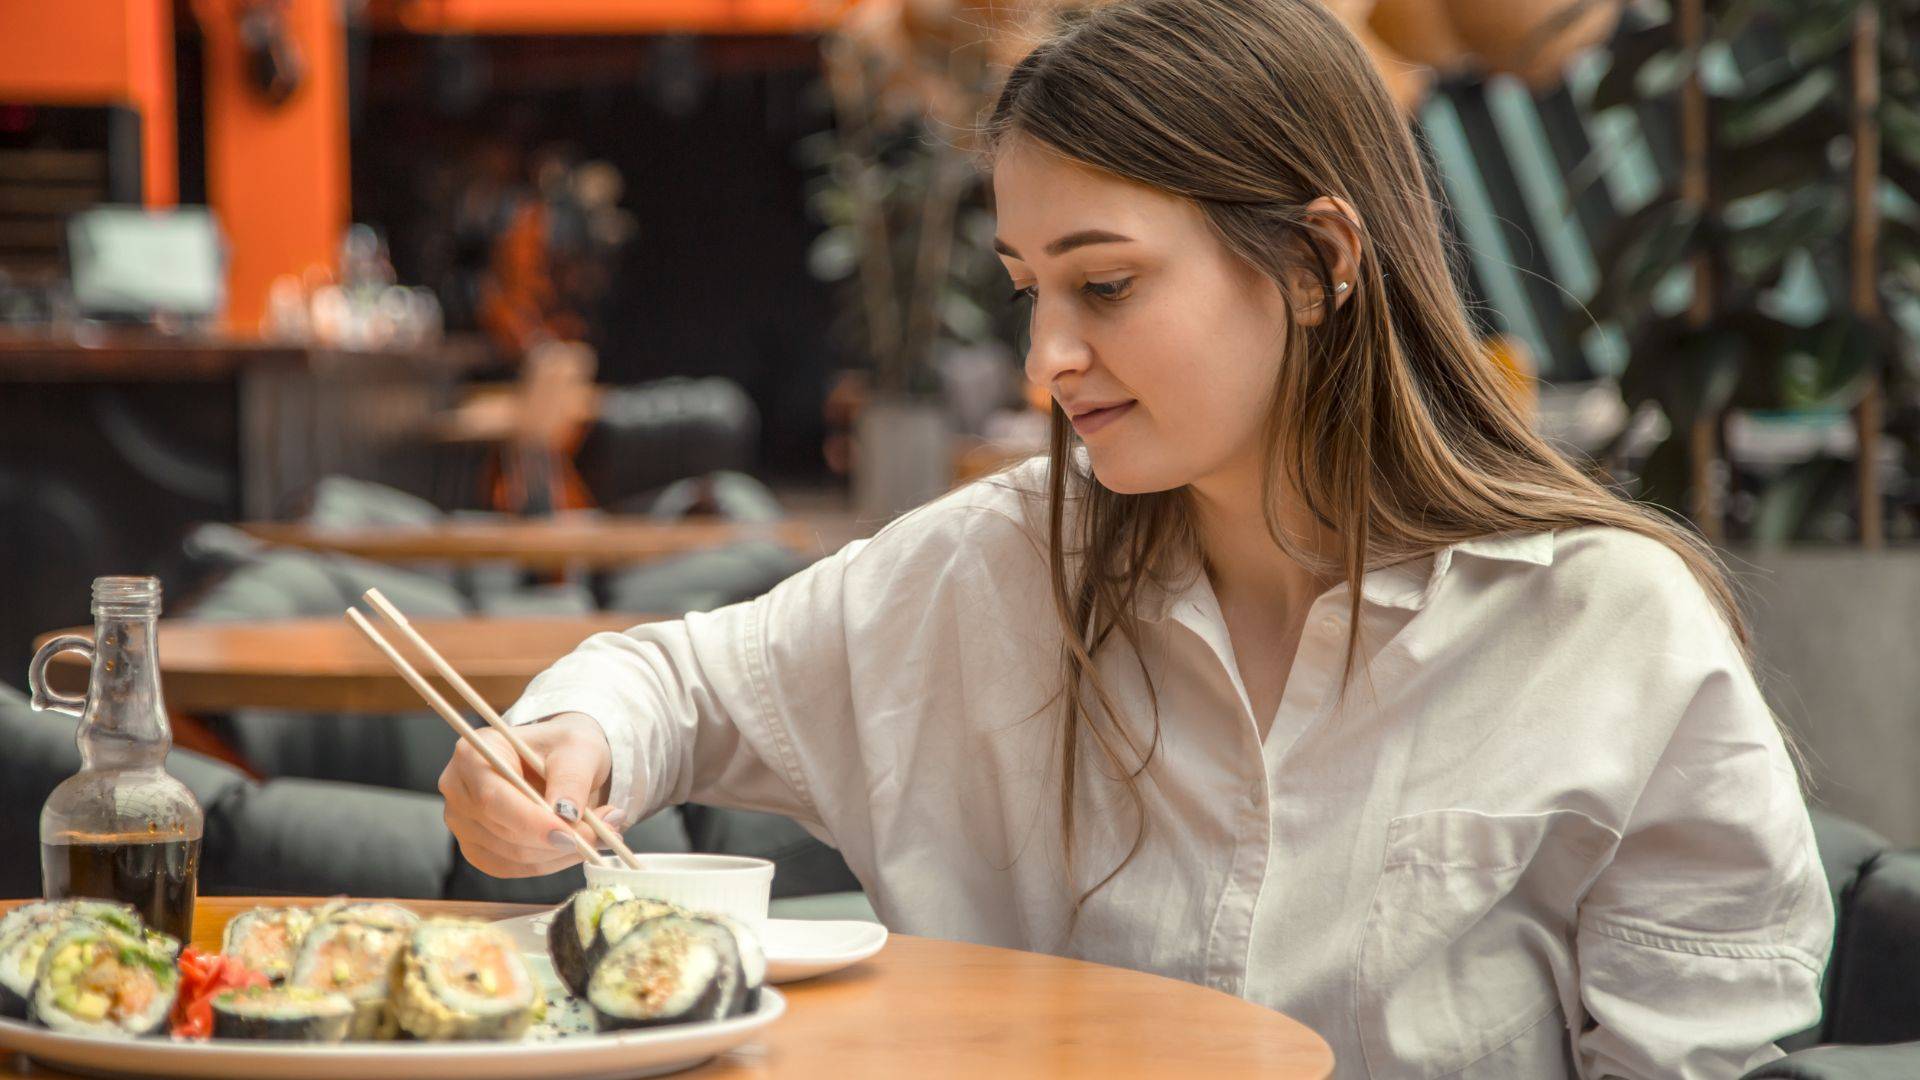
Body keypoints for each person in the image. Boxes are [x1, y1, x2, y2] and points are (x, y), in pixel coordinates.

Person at [438, 1, 1831, 1075]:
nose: (1049, 356)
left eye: (1104, 283)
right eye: (1028, 288)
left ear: (1317, 261)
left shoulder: (1605, 630)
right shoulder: (995, 571)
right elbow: (675, 684)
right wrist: (569, 744)